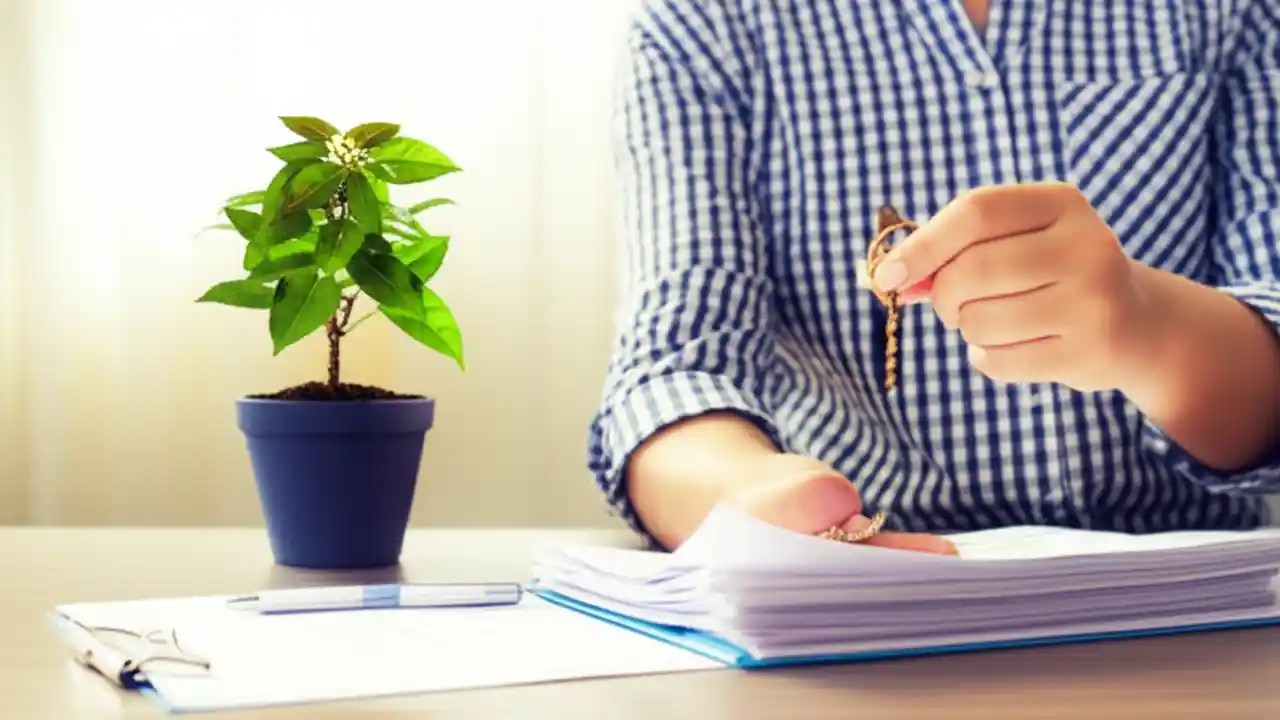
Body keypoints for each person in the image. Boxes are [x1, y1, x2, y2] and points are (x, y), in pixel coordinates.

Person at [587, 0, 1280, 554]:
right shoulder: (702, 23)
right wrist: (753, 497)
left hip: (1201, 611)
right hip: (868, 607)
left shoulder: (1231, 11)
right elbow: (672, 374)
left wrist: (1151, 328)